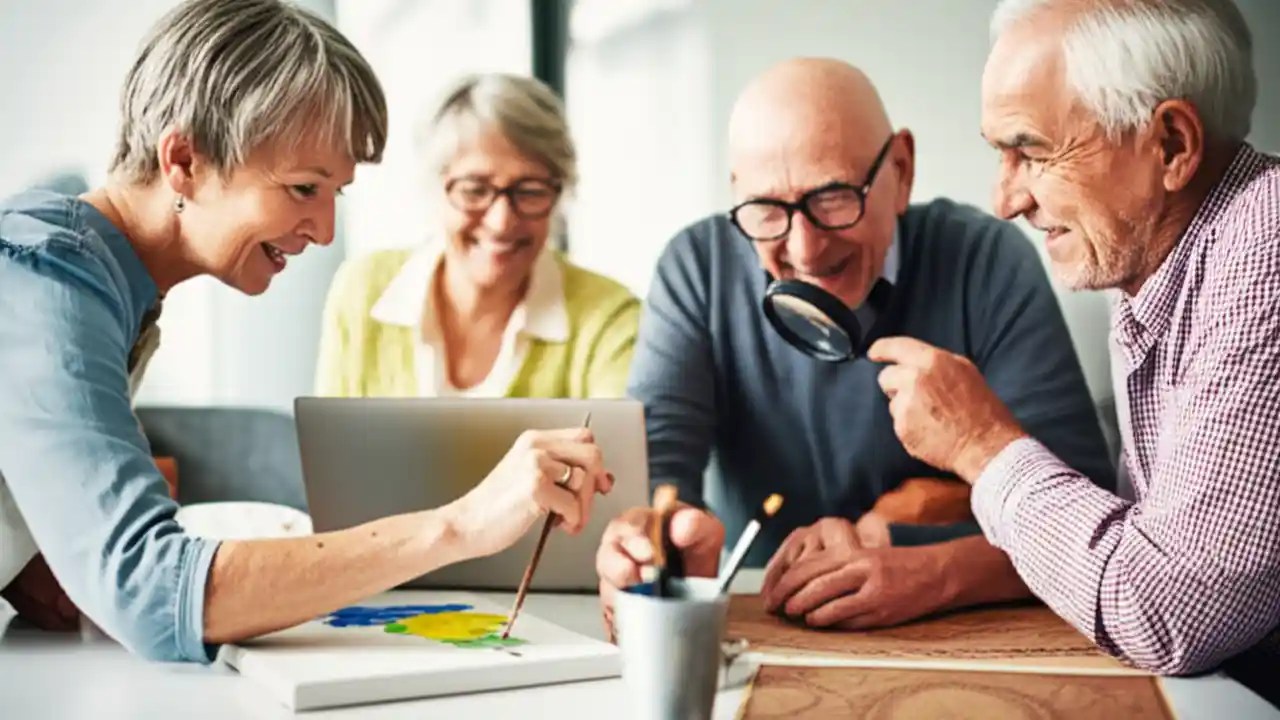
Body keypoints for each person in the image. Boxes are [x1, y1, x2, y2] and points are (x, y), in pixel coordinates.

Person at [0, 0, 611, 663]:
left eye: (335, 195)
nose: (323, 231)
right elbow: (152, 590)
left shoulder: (107, 282)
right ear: (183, 161)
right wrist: (461, 524)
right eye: (301, 188)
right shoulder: (49, 280)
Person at [595, 57, 1114, 635]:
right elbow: (656, 479)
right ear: (737, 194)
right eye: (767, 209)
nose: (805, 250)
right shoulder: (696, 268)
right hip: (762, 620)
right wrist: (647, 540)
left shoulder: (983, 260)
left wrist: (931, 567)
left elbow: (1084, 512)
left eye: (834, 197)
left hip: (956, 628)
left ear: (901, 170)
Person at [869, 0, 1280, 678]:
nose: (1006, 200)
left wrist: (979, 445)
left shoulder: (1265, 244)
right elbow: (1138, 546)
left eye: (1030, 151)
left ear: (1172, 144)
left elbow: (1165, 609)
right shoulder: (1152, 270)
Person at [314, 73, 639, 400]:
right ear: (435, 188)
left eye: (530, 192)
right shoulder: (364, 290)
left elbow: (618, 449)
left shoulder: (608, 318)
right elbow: (329, 449)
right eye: (474, 190)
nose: (501, 222)